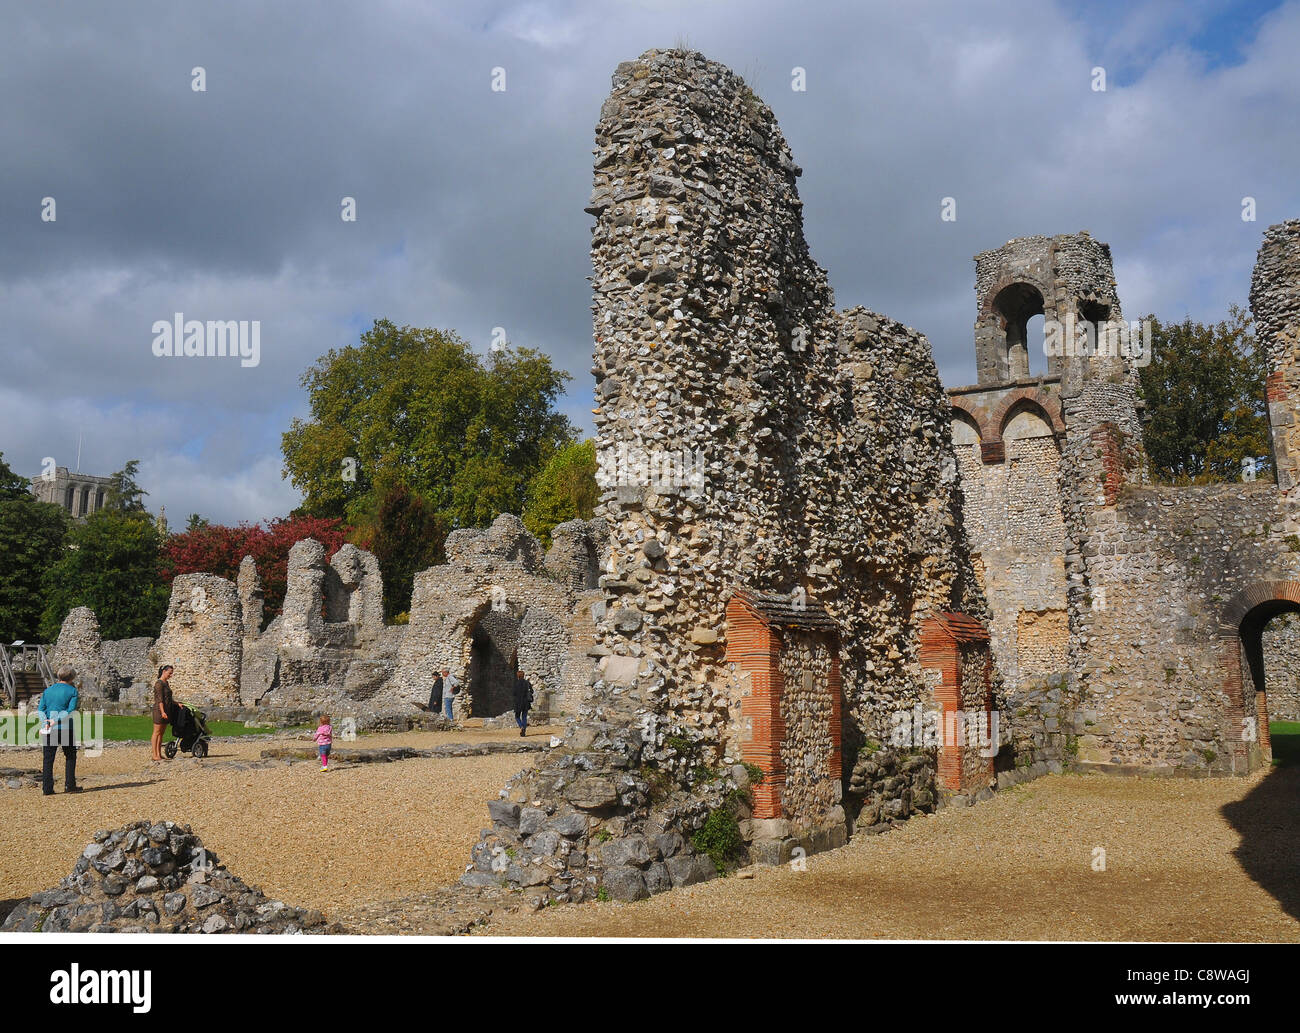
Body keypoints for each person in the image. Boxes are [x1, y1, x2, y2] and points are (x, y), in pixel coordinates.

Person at [37, 665, 81, 795]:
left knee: (48, 759)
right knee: (70, 756)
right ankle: (70, 785)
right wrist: (56, 720)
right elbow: (69, 710)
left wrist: (46, 722)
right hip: (66, 727)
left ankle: (47, 788)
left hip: (49, 728)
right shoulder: (72, 691)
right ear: (72, 677)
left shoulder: (48, 691)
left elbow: (41, 709)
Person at [151, 665, 175, 762]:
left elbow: (168, 698)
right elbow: (160, 699)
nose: (171, 675)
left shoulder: (166, 683)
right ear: (164, 671)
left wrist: (177, 703)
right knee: (156, 733)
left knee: (161, 733)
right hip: (159, 711)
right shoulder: (159, 684)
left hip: (166, 710)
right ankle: (154, 754)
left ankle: (159, 754)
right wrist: (163, 712)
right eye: (170, 673)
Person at [512, 668, 534, 738]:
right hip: (526, 703)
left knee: (517, 716)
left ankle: (521, 726)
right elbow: (532, 691)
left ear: (518, 676)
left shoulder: (516, 684)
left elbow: (513, 693)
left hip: (518, 703)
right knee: (524, 716)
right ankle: (524, 729)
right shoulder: (527, 683)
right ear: (523, 676)